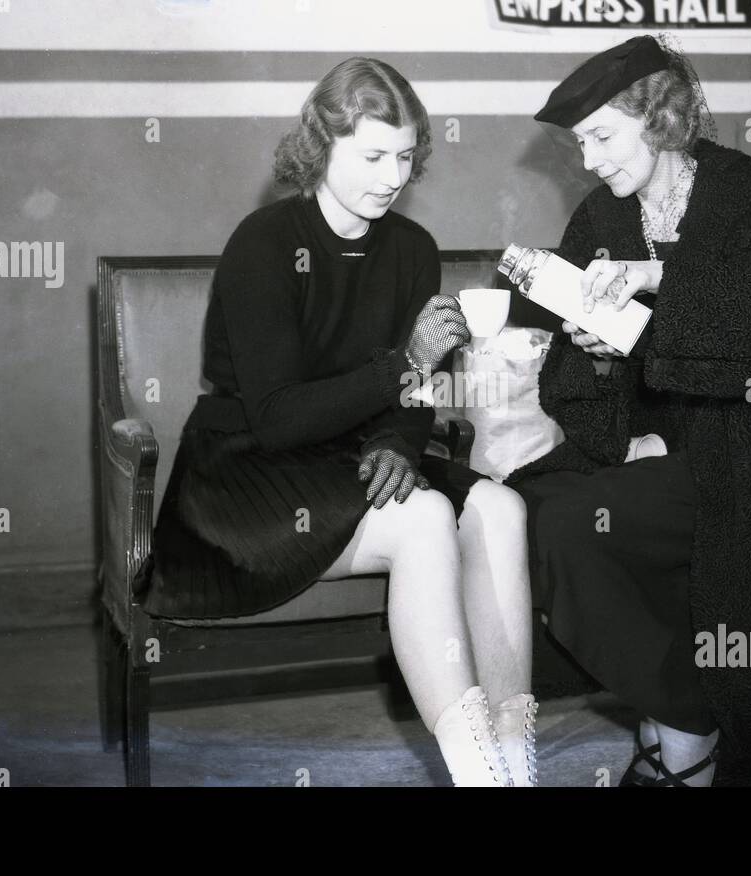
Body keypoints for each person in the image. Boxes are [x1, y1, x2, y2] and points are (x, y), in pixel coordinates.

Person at [137, 57, 537, 787]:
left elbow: (420, 391)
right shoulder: (263, 243)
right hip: (246, 474)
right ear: (322, 145)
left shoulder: (412, 250)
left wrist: (396, 440)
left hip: (352, 454)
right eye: (374, 155)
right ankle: (478, 775)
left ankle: (517, 767)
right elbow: (279, 416)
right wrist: (401, 366)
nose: (393, 176)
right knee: (421, 522)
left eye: (407, 156)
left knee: (503, 510)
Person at [505, 35, 751, 786]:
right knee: (539, 511)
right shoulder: (599, 217)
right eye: (579, 143)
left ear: (657, 118)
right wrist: (600, 361)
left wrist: (655, 277)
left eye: (600, 137)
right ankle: (685, 714)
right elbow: (568, 381)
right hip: (650, 454)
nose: (588, 162)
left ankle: (693, 743)